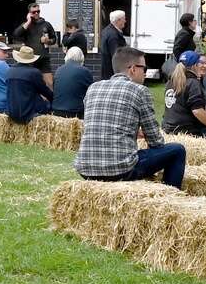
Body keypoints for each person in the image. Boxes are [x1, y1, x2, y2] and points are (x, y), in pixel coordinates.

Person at [75, 46, 186, 187]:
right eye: (144, 69)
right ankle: (170, 196)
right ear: (133, 69)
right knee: (177, 150)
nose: (145, 73)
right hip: (120, 169)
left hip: (85, 168)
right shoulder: (140, 91)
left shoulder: (93, 88)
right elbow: (155, 141)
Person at [6, 45, 54, 123]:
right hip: (29, 114)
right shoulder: (34, 72)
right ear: (31, 60)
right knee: (49, 106)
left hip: (12, 113)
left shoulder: (9, 71)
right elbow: (45, 91)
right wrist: (54, 99)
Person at [10, 2, 58, 76]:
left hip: (44, 58)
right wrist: (28, 21)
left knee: (49, 82)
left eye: (38, 11)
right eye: (34, 12)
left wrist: (48, 41)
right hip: (30, 58)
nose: (36, 13)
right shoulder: (26, 25)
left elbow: (54, 39)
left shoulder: (46, 24)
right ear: (29, 13)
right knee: (31, 81)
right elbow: (16, 34)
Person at [52, 46, 93, 118]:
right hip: (75, 113)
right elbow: (91, 93)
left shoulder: (59, 70)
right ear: (81, 58)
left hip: (56, 111)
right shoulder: (85, 71)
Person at [99, 10, 128, 78]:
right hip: (112, 73)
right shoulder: (113, 36)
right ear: (118, 21)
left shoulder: (107, 31)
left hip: (107, 70)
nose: (125, 21)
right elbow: (116, 56)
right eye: (124, 19)